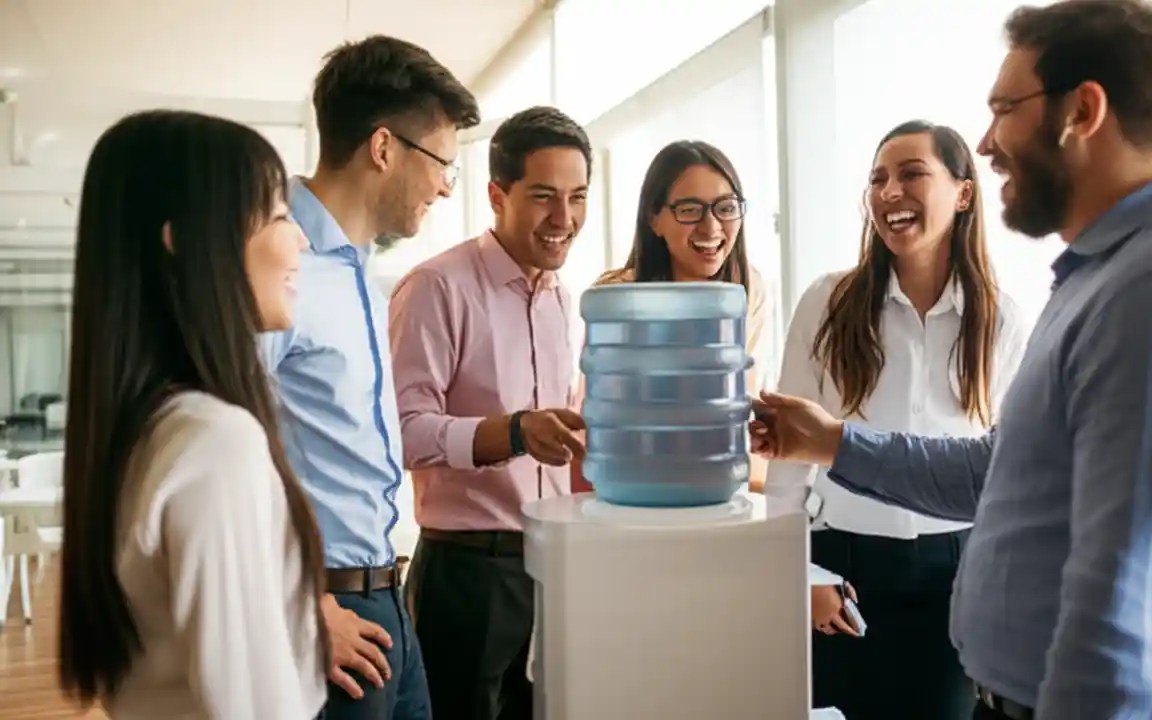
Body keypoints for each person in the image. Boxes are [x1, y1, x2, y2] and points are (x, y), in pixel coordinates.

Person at [751, 2, 1152, 718]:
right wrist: (831, 440)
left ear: (1082, 111)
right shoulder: (1102, 281)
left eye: (1006, 108)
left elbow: (1131, 633)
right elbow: (991, 471)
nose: (988, 141)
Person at [57, 110, 326, 718]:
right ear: (189, 240)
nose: (300, 240)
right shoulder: (215, 442)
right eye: (281, 215)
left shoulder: (146, 431)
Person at [767, 120, 1028, 719]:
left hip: (956, 574)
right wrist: (801, 573)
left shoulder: (1002, 319)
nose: (889, 193)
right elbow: (787, 451)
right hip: (843, 568)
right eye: (878, 179)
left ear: (963, 194)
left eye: (912, 174)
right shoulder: (828, 302)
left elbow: (1011, 476)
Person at [259, 35, 480, 719]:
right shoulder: (273, 263)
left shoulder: (363, 276)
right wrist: (303, 604)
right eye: (443, 161)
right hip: (323, 606)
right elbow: (231, 452)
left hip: (387, 596)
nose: (447, 184)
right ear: (383, 149)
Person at [389, 105, 591, 720]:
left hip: (554, 566)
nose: (565, 219)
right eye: (544, 197)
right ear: (497, 195)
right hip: (467, 573)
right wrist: (513, 433)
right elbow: (403, 432)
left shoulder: (563, 298)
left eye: (578, 197)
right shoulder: (436, 287)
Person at [588, 140, 772, 491]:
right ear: (654, 218)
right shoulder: (617, 297)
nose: (711, 227)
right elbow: (604, 422)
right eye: (690, 210)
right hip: (638, 486)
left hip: (717, 482)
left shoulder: (749, 288)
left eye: (725, 208)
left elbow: (736, 411)